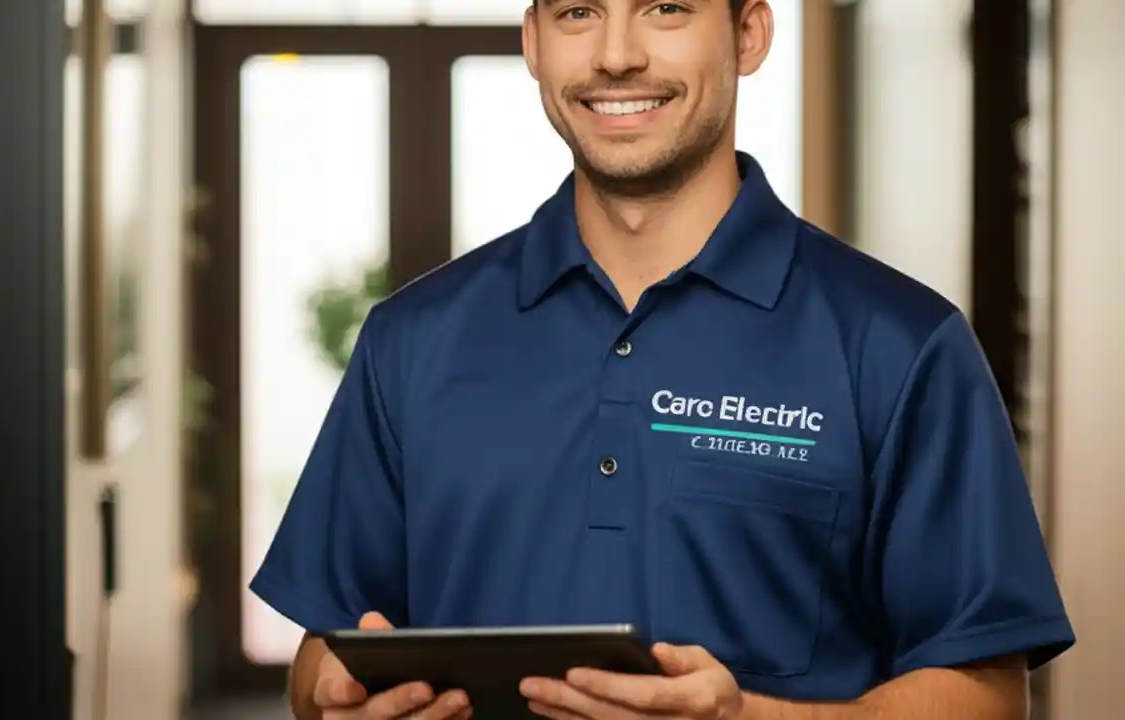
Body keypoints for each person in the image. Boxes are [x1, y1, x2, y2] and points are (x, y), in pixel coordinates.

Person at [251, 0, 1075, 717]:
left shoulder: (899, 343)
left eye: (667, 8)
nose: (616, 54)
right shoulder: (413, 337)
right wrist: (339, 701)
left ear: (748, 34)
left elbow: (986, 693)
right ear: (534, 41)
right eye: (579, 12)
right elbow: (320, 656)